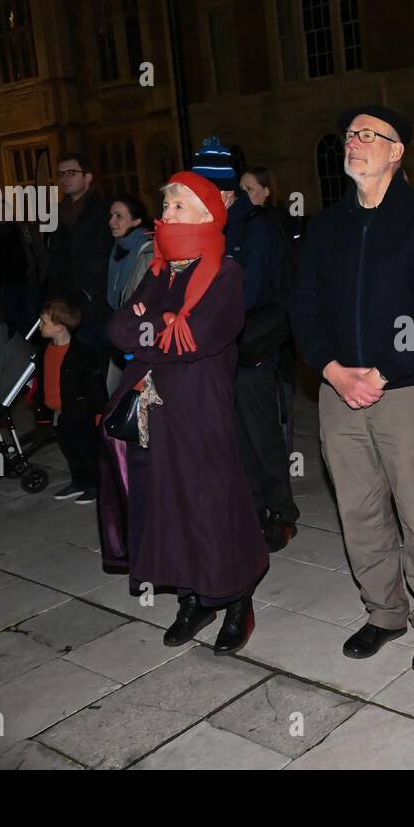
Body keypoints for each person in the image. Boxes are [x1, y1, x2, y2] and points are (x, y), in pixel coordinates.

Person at [290, 104, 414, 671]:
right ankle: (383, 612)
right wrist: (332, 371)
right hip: (338, 391)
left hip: (404, 391)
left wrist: (381, 372)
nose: (354, 142)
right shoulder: (326, 225)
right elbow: (304, 306)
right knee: (358, 511)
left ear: (397, 151)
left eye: (368, 135)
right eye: (350, 134)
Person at [98, 172, 268, 655]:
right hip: (154, 409)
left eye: (176, 206)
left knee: (211, 501)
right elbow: (118, 330)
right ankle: (193, 597)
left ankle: (236, 600)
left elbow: (201, 337)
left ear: (205, 214)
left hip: (199, 406)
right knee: (167, 501)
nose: (165, 214)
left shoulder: (225, 273)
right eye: (165, 205)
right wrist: (164, 326)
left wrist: (151, 329)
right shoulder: (159, 270)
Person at [231, 164, 299, 551]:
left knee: (263, 433)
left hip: (257, 344)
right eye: (238, 188)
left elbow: (252, 289)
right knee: (240, 434)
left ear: (265, 192)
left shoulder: (263, 227)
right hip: (236, 346)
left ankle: (282, 512)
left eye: (248, 188)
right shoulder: (238, 227)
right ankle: (255, 507)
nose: (242, 195)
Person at [35, 299, 106, 504]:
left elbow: (96, 384)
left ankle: (93, 485)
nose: (40, 326)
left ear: (59, 327)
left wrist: (100, 412)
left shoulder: (82, 353)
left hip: (80, 411)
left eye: (43, 322)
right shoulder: (44, 349)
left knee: (86, 450)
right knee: (69, 449)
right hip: (57, 411)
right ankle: (78, 482)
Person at [48, 152, 113, 356]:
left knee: (105, 356)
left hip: (98, 301)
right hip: (68, 301)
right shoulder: (58, 213)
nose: (64, 179)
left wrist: (93, 290)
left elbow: (109, 254)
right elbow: (56, 258)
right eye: (61, 174)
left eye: (71, 173)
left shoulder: (104, 210)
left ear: (87, 177)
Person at [104, 195, 154, 394]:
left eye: (119, 216)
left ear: (136, 221)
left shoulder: (146, 248)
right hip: (123, 322)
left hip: (140, 327)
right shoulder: (119, 247)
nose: (112, 222)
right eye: (111, 215)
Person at [0, 217, 49, 337]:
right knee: (13, 322)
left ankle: (36, 350)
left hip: (30, 284)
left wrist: (39, 278)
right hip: (6, 286)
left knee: (33, 320)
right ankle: (19, 351)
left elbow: (42, 254)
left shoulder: (25, 229)